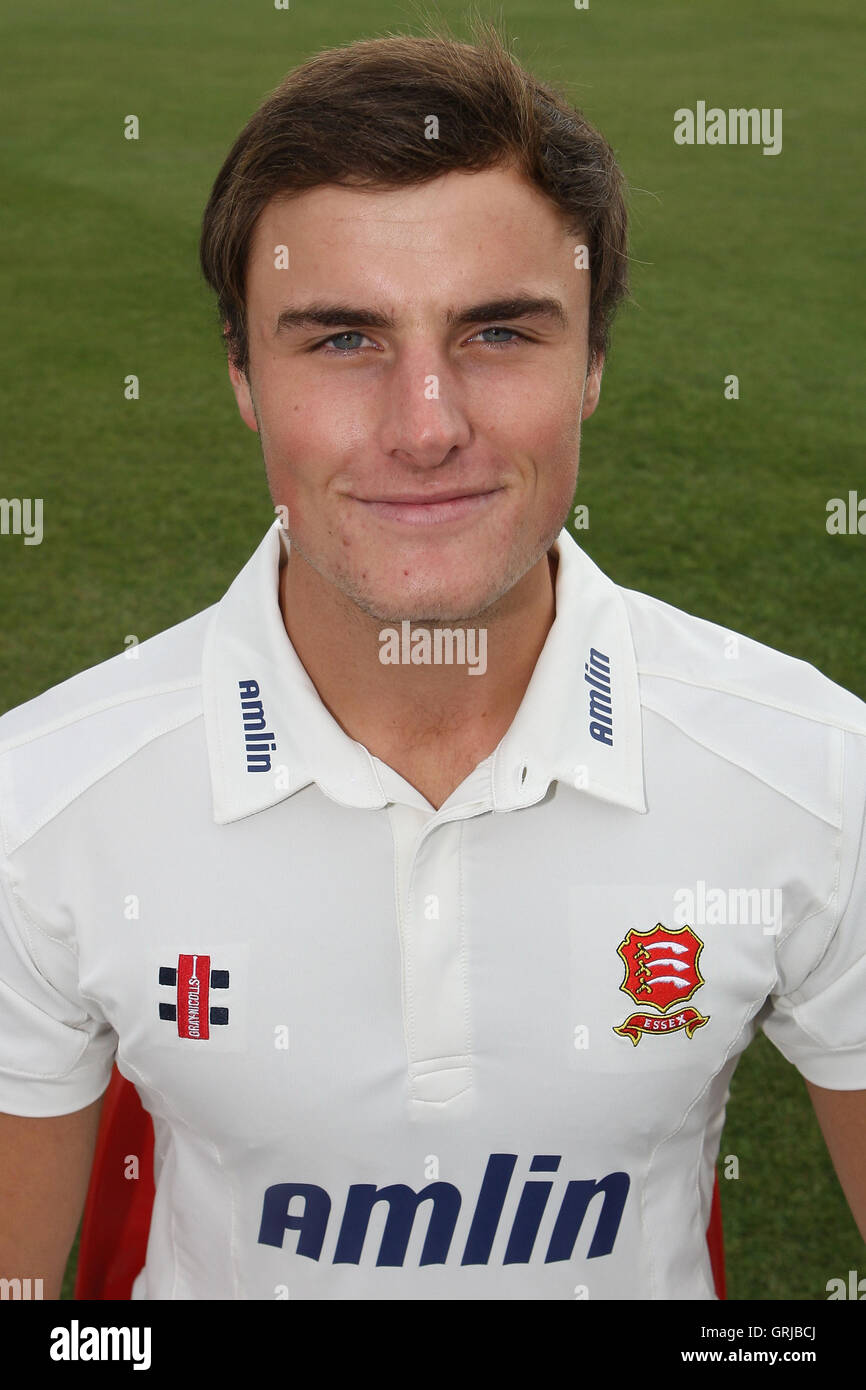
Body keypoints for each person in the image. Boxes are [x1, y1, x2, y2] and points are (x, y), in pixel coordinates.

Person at [0, 19, 864, 1301]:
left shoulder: (817, 777)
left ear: (593, 363)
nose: (426, 425)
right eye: (342, 339)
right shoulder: (40, 802)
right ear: (242, 375)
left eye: (499, 333)